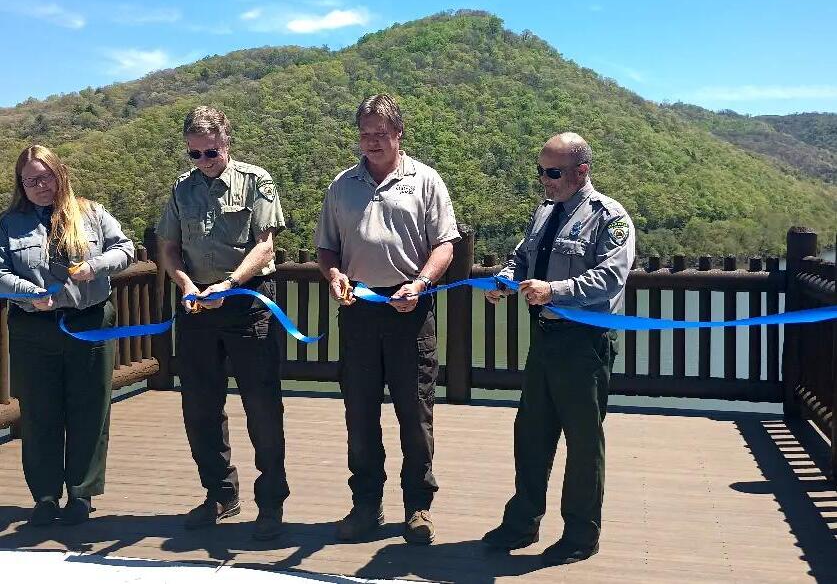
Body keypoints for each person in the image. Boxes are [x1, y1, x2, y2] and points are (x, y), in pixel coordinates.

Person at [481, 132, 635, 565]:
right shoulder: (543, 212)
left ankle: (581, 535)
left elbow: (610, 278)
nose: (544, 181)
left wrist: (555, 290)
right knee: (531, 434)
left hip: (585, 344)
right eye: (541, 171)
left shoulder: (610, 217)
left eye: (553, 172)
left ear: (581, 171)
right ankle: (522, 522)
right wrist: (505, 281)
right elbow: (521, 258)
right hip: (545, 340)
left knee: (583, 443)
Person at [315, 94, 460, 545]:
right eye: (365, 134)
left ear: (399, 134)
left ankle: (418, 507)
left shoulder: (426, 180)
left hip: (409, 310)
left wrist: (419, 284)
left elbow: (445, 245)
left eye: (381, 134)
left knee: (415, 416)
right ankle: (366, 507)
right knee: (359, 416)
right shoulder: (342, 184)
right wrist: (334, 274)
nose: (372, 142)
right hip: (358, 311)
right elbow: (327, 248)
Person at [156, 106, 288, 540]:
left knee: (262, 408)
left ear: (226, 141)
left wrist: (229, 284)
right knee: (199, 407)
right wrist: (187, 285)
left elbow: (265, 247)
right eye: (194, 154)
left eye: (210, 152)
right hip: (197, 307)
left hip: (246, 303)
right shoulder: (181, 189)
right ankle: (220, 493)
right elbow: (169, 249)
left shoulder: (256, 180)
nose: (203, 161)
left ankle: (270, 504)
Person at [0, 145, 134, 526]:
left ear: (60, 174)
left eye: (45, 177)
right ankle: (44, 497)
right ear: (20, 185)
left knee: (90, 409)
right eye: (30, 181)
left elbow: (124, 249)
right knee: (39, 414)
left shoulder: (91, 213)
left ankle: (82, 494)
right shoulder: (8, 224)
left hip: (89, 322)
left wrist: (95, 266)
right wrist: (29, 293)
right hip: (32, 331)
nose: (40, 186)